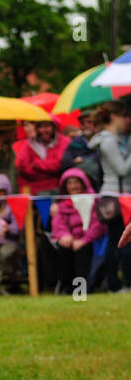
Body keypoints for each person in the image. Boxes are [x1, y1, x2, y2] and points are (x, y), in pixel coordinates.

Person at [87, 100, 131, 291]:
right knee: (118, 242)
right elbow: (121, 169)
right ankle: (116, 283)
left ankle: (118, 282)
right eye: (124, 116)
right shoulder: (108, 141)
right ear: (114, 117)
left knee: (118, 241)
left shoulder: (116, 139)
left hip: (121, 195)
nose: (127, 121)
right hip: (115, 197)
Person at [49, 167, 106, 295]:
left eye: (76, 182)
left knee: (82, 253)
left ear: (83, 183)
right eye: (69, 183)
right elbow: (58, 224)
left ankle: (80, 291)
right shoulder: (61, 204)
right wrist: (65, 235)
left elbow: (98, 225)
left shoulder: (93, 201)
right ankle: (66, 287)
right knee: (64, 249)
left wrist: (83, 240)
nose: (73, 186)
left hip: (89, 241)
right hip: (70, 240)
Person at [13, 119, 69, 195]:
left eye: (46, 126)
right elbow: (22, 167)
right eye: (39, 127)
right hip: (33, 191)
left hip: (58, 190)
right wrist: (50, 170)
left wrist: (36, 164)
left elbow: (61, 165)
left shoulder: (64, 141)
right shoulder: (29, 143)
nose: (42, 130)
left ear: (53, 127)